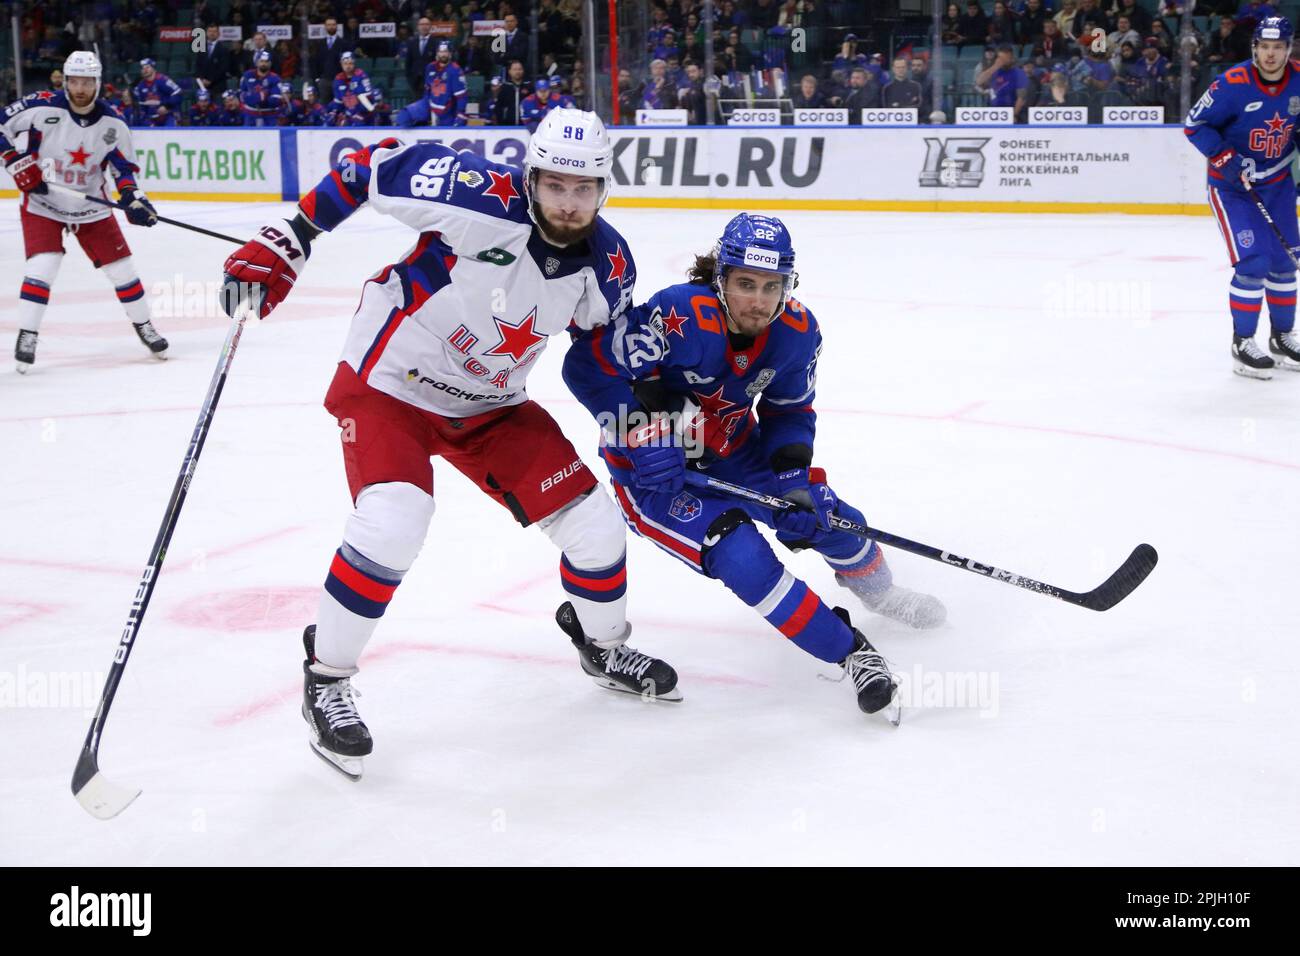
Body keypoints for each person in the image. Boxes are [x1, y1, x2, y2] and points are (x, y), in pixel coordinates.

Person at [218, 109, 675, 779]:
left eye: (585, 189)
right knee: (394, 521)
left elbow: (597, 356)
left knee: (598, 525)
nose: (570, 203)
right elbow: (371, 166)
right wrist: (290, 234)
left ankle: (602, 645)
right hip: (390, 386)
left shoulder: (607, 263)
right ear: (531, 177)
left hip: (491, 407)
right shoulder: (474, 194)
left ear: (604, 188)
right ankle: (327, 678)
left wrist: (632, 422)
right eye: (555, 185)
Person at [561, 214, 946, 722]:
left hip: (736, 449)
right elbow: (591, 368)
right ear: (720, 278)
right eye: (745, 284)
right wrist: (643, 433)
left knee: (829, 515)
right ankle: (853, 653)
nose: (759, 301)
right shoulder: (678, 314)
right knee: (742, 556)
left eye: (772, 286)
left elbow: (788, 411)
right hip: (655, 474)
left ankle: (882, 593)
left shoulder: (796, 332)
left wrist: (791, 483)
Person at [1, 51, 168, 373]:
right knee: (43, 267)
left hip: (91, 206)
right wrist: (14, 159)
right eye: (74, 81)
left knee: (123, 270)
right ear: (65, 80)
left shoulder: (113, 123)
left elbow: (124, 171)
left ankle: (145, 326)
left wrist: (134, 198)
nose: (79, 88)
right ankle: (27, 334)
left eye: (87, 81)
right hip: (42, 204)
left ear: (98, 83)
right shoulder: (41, 105)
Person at [1185, 15, 1300, 376]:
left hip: (1279, 182)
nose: (1270, 54)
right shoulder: (1232, 83)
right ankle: (1242, 342)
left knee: (1284, 263)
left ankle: (1281, 336)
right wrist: (1223, 156)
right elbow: (1194, 125)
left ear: (1288, 48)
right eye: (1264, 47)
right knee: (1253, 264)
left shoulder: (1299, 79)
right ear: (1254, 48)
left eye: (1278, 47)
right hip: (1234, 188)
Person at [394, 40, 466, 127]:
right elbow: (427, 90)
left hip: (447, 110)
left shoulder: (455, 70)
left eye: (445, 52)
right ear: (437, 53)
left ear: (450, 54)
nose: (443, 54)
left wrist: (460, 114)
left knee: (448, 133)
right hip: (429, 104)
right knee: (403, 116)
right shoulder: (430, 67)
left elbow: (461, 96)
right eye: (440, 51)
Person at [976, 45, 1029, 120]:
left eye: (1005, 58)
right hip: (995, 112)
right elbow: (979, 82)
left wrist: (1014, 115)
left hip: (1013, 112)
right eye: (1000, 58)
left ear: (1011, 58)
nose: (1002, 61)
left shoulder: (1019, 73)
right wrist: (994, 67)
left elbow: (1021, 98)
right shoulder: (994, 71)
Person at [133, 57, 181, 127]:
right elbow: (140, 105)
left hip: (168, 116)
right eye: (143, 68)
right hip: (151, 119)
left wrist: (166, 106)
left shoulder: (163, 80)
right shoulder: (140, 86)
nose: (145, 70)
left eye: (147, 67)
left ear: (153, 68)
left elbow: (178, 93)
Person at [240, 49, 282, 126]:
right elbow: (242, 96)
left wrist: (259, 97)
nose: (264, 64)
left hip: (269, 115)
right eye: (261, 61)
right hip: (250, 114)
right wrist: (261, 96)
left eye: (266, 62)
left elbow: (275, 100)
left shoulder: (275, 78)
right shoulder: (247, 75)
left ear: (270, 64)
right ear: (257, 62)